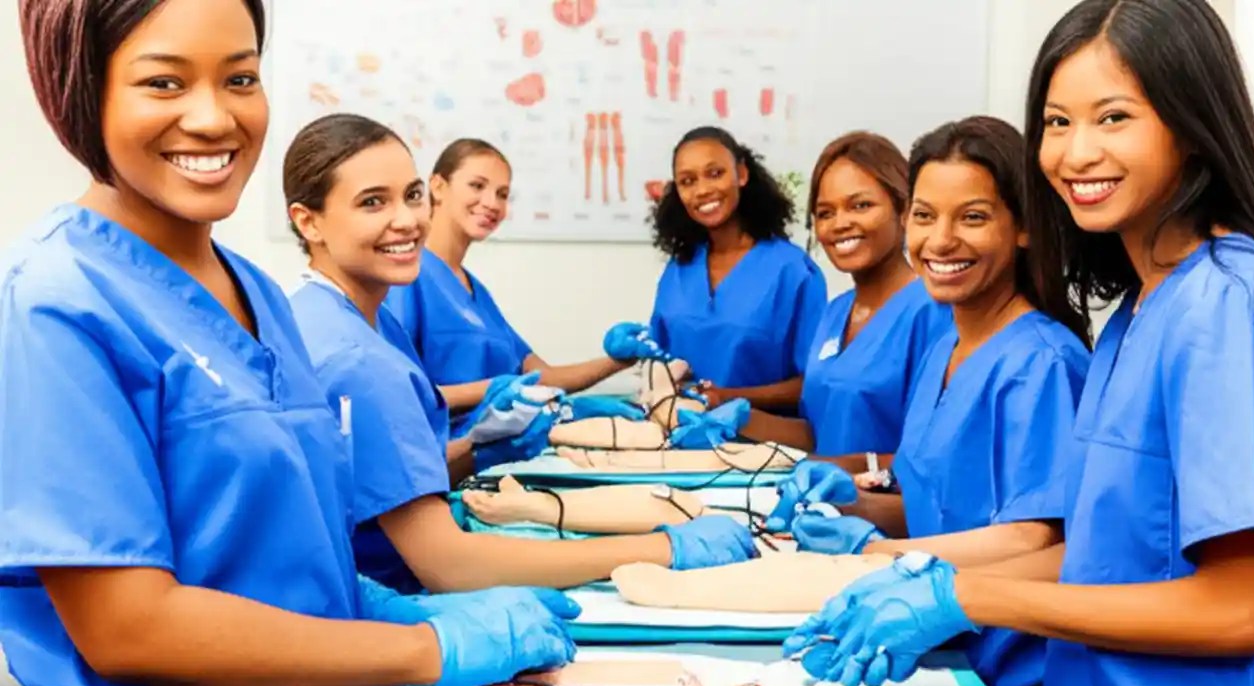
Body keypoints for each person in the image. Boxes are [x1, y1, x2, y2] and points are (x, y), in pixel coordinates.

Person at [0, 1, 579, 686]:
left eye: (239, 79)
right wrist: (425, 647)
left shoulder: (258, 295)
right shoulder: (56, 301)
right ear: (82, 91)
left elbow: (293, 541)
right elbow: (129, 630)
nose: (214, 118)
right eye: (164, 83)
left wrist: (369, 607)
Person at [787, 2, 1254, 686]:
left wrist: (964, 594)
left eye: (1114, 118)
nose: (1075, 154)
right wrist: (909, 569)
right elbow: (1097, 558)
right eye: (1056, 122)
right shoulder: (1140, 313)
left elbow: (1246, 608)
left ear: (1193, 123)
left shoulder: (1224, 303)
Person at [284, 113, 760, 597]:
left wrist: (476, 450)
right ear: (309, 222)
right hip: (379, 596)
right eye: (372, 202)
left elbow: (377, 479)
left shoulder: (344, 314)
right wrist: (662, 549)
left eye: (410, 196)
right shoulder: (358, 355)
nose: (406, 219)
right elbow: (447, 565)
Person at [779, 117, 1089, 686]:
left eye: (971, 217)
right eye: (925, 216)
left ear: (1023, 228)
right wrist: (854, 507)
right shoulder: (947, 348)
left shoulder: (1041, 364)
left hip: (1020, 685)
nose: (940, 241)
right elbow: (946, 502)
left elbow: (1038, 536)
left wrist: (878, 556)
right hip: (946, 660)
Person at [679, 132, 952, 470]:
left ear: (904, 209)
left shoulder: (933, 313)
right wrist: (736, 418)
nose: (840, 224)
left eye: (860, 205)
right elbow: (815, 433)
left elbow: (931, 461)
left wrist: (818, 465)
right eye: (825, 213)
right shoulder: (836, 313)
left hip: (886, 515)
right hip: (821, 507)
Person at [384, 139, 658, 437]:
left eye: (502, 194)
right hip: (443, 456)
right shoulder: (407, 277)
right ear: (437, 186)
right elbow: (399, 395)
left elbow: (542, 377)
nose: (491, 202)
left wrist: (620, 359)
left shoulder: (476, 292)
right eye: (477, 186)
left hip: (494, 450)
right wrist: (497, 389)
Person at [645, 126, 827, 413]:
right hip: (679, 440)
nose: (702, 190)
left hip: (761, 446)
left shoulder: (793, 272)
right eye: (687, 181)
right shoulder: (680, 268)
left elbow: (814, 383)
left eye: (715, 173)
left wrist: (729, 397)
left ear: (741, 174)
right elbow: (658, 363)